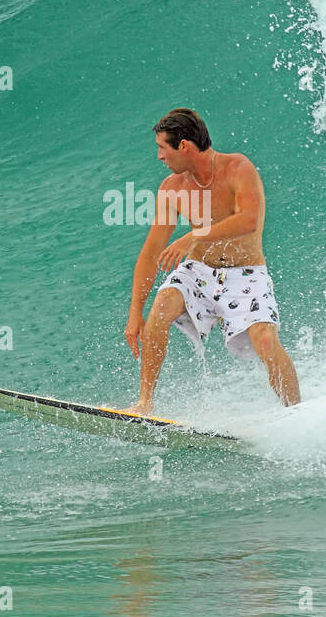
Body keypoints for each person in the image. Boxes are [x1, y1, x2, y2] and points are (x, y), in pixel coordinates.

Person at [121, 107, 300, 414]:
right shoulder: (172, 189)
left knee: (267, 342)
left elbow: (249, 221)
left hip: (245, 274)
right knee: (160, 309)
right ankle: (144, 404)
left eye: (162, 148)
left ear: (184, 146)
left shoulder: (237, 168)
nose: (159, 157)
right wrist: (135, 312)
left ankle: (297, 414)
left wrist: (194, 236)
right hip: (199, 272)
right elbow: (151, 253)